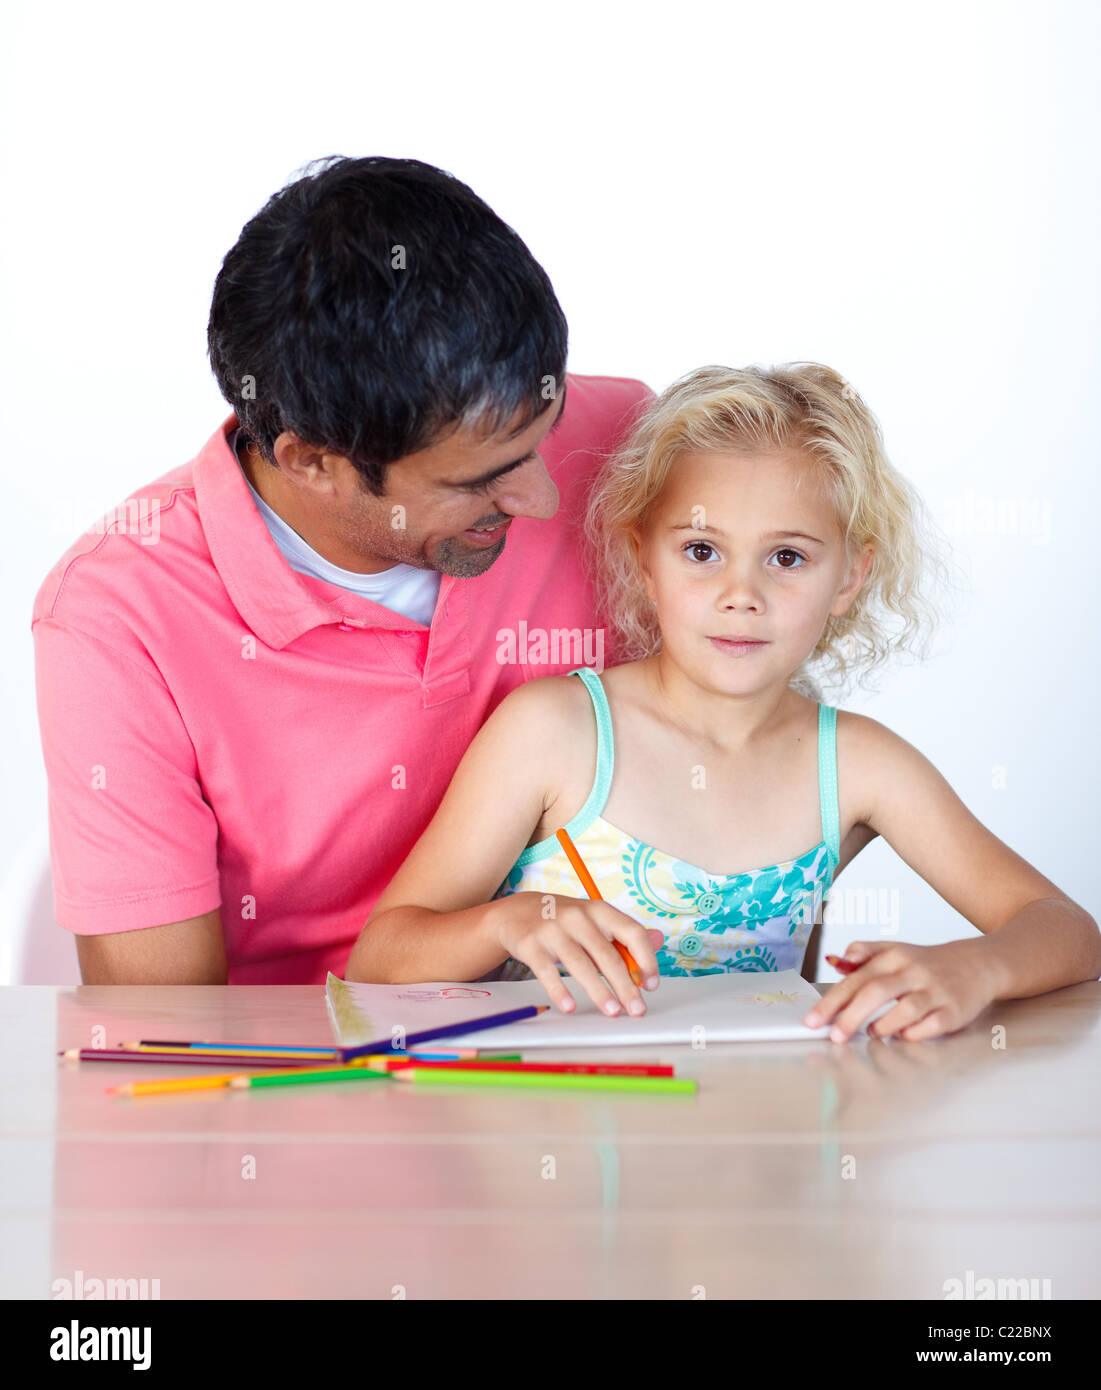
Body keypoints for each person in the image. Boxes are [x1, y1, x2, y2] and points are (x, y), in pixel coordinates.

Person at [35, 155, 789, 985]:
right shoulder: (116, 616)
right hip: (308, 1079)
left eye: (542, 434)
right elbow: (166, 1031)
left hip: (602, 1045)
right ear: (311, 460)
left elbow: (761, 759)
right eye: (476, 480)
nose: (545, 497)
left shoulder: (623, 442)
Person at [349, 362, 1101, 1042]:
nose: (741, 596)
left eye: (787, 558)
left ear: (848, 578)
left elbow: (1066, 929)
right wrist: (507, 920)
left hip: (758, 1157)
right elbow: (381, 957)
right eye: (701, 552)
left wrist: (976, 969)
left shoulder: (857, 764)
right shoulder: (554, 732)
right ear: (644, 558)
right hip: (560, 1156)